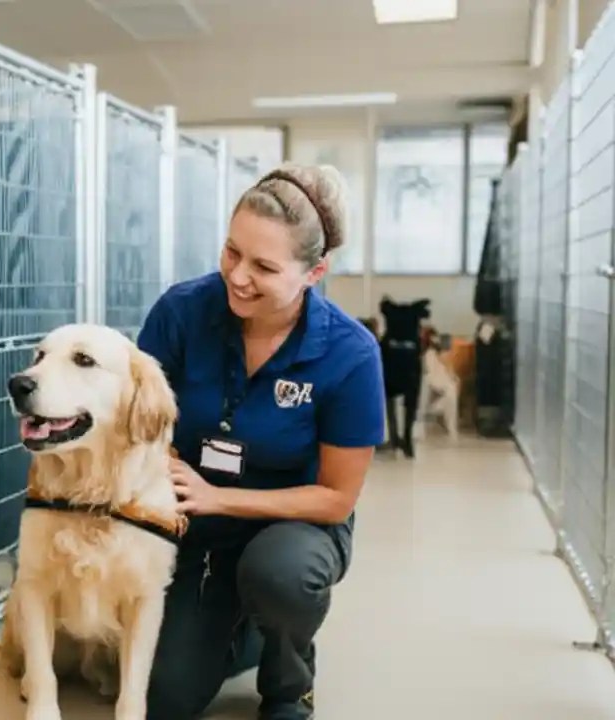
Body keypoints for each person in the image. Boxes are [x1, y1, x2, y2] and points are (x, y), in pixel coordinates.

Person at [135, 162, 385, 720]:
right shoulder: (182, 311)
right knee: (165, 698)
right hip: (196, 526)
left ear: (314, 272)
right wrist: (168, 465)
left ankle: (288, 681)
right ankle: (238, 622)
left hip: (295, 528)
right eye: (232, 252)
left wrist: (219, 497)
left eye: (264, 267)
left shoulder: (351, 353)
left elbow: (336, 498)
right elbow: (142, 423)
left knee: (280, 575)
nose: (238, 276)